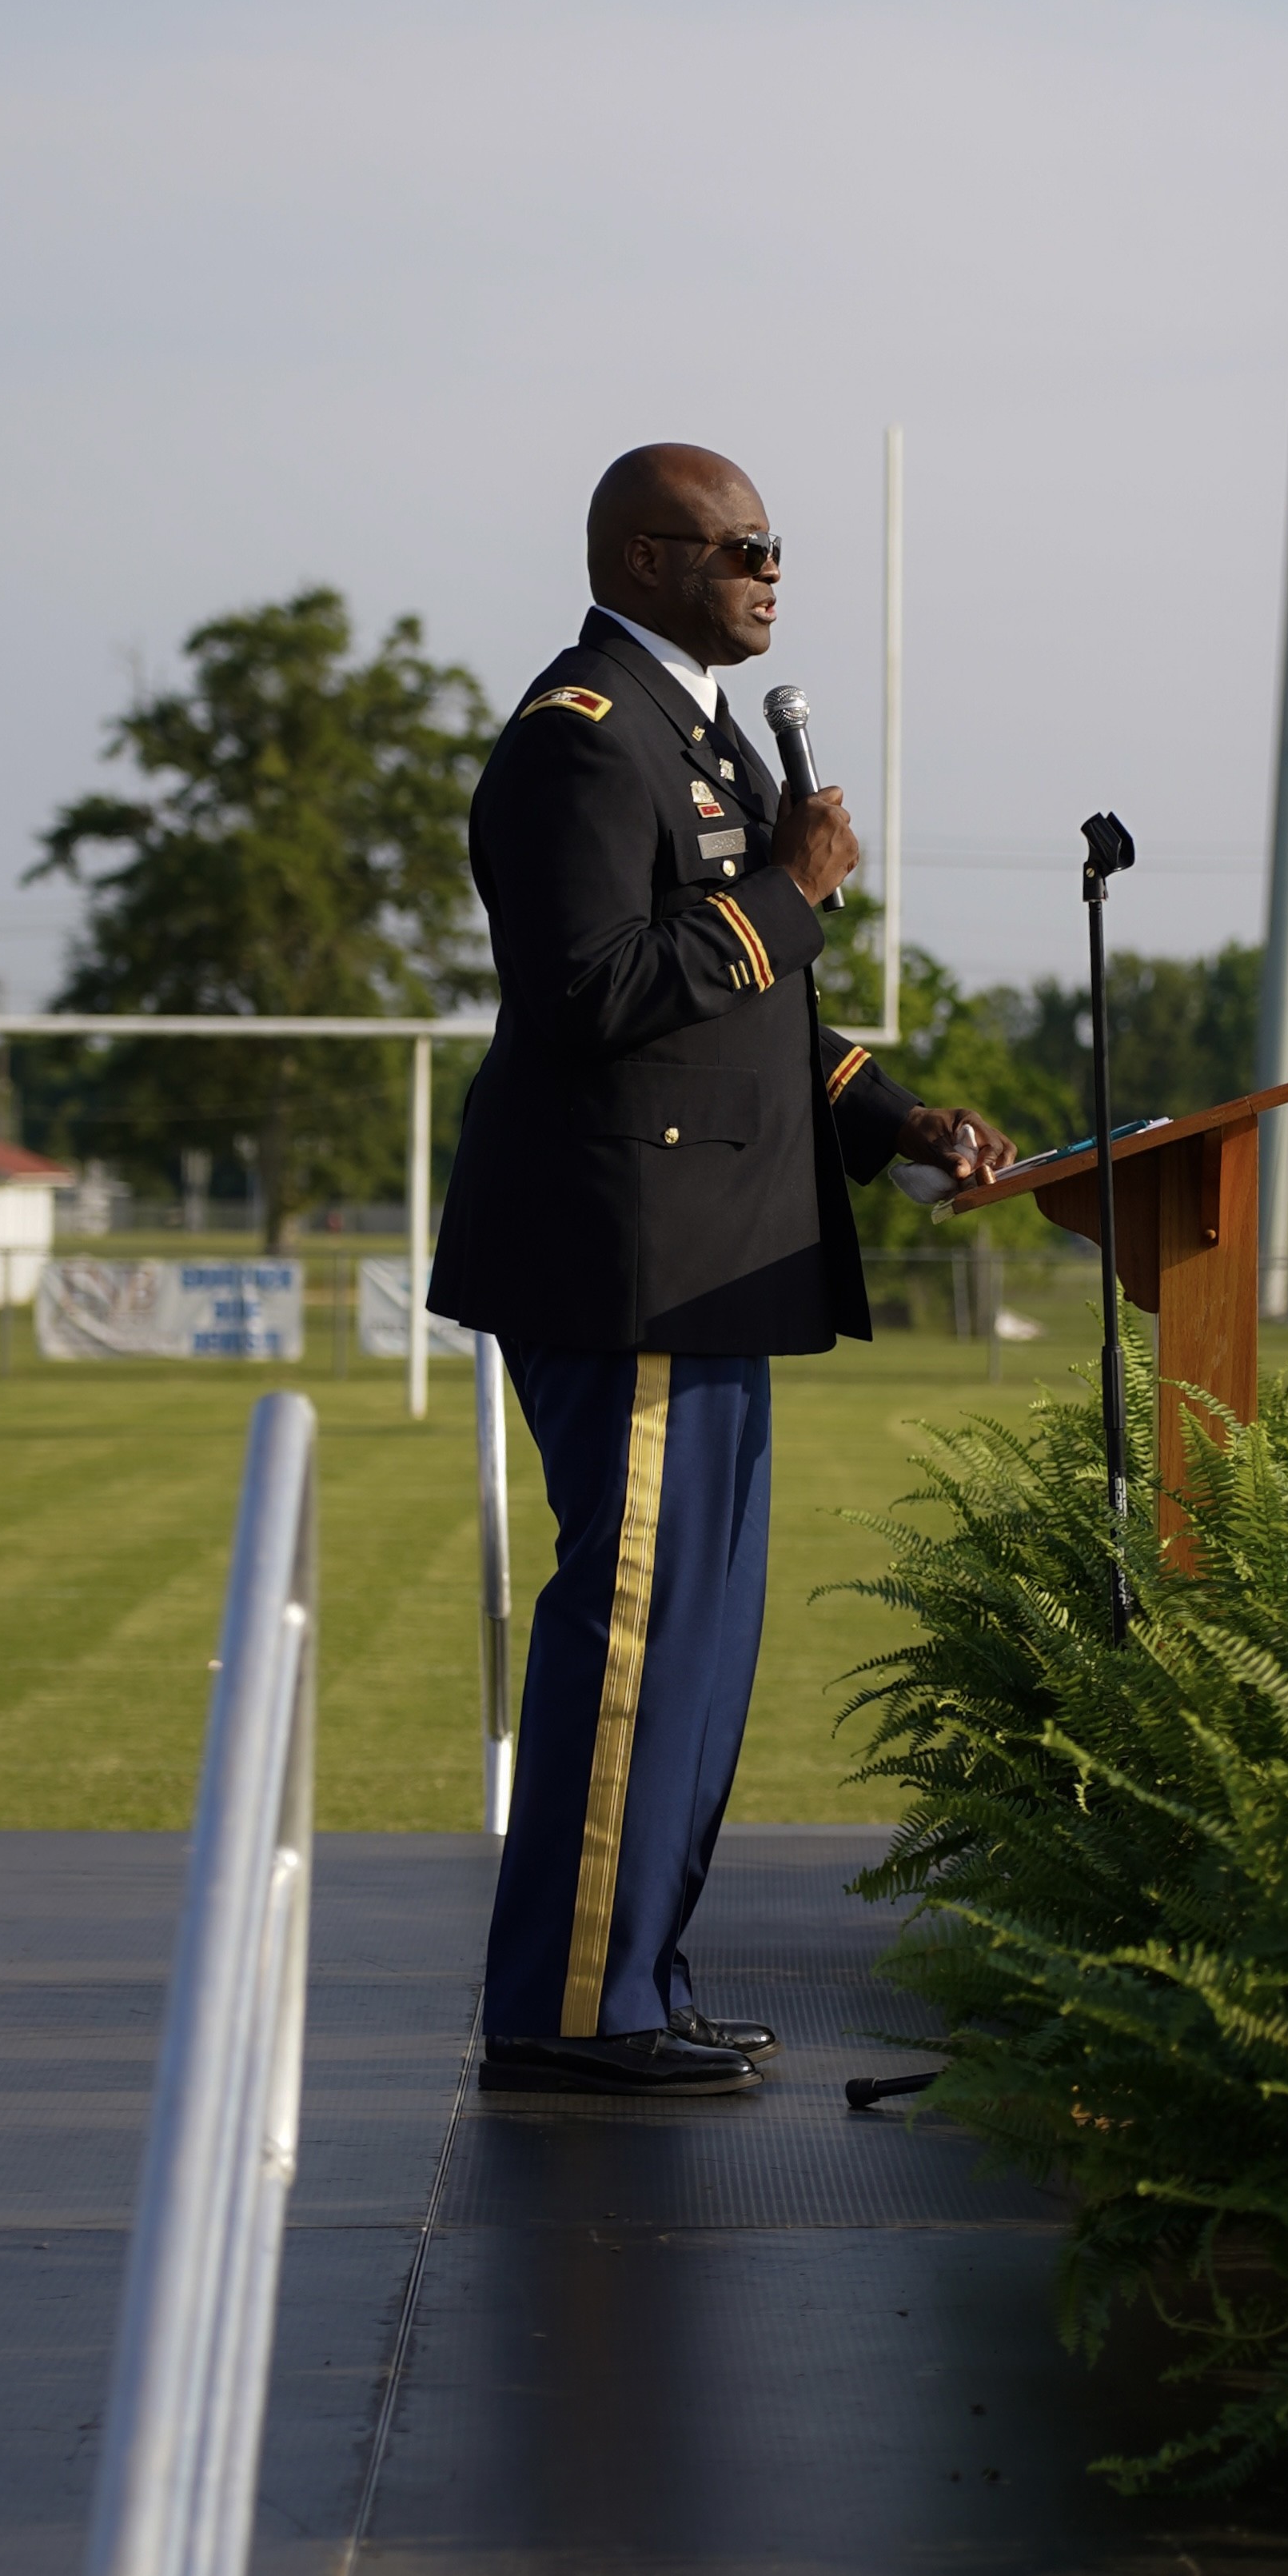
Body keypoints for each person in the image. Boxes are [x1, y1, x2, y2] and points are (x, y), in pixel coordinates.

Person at [431, 442, 1018, 2095]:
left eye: (776, 545)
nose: (771, 569)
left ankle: (637, 1981)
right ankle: (566, 2008)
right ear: (640, 553)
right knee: (629, 1638)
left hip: (717, 1267)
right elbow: (594, 996)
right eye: (739, 544)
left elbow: (754, 1028)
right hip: (623, 1268)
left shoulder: (699, 736)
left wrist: (902, 1121)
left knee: (694, 1640)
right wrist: (790, 889)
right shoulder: (581, 739)